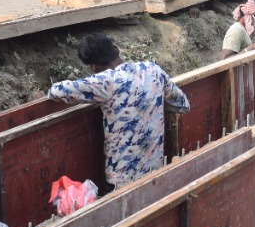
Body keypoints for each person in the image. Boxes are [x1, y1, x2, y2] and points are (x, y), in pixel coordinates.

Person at [48, 34, 190, 189]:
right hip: (154, 173)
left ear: (94, 67)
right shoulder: (153, 70)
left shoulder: (106, 82)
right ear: (116, 50)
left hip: (122, 182)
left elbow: (56, 91)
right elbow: (182, 104)